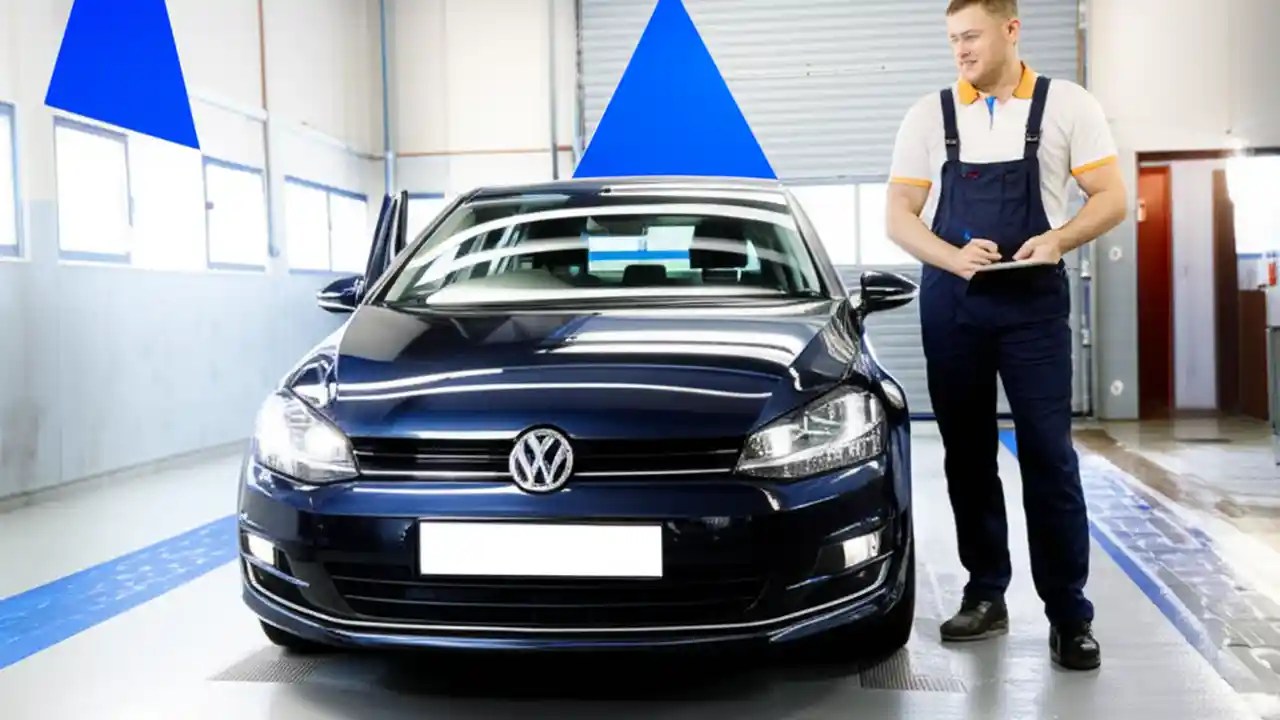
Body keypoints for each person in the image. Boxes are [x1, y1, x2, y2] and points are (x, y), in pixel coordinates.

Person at [884, 0, 1127, 671]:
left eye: (971, 37)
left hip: (1032, 307)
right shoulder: (929, 115)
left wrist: (1058, 239)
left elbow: (1110, 196)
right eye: (952, 39)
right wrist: (950, 256)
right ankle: (985, 594)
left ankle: (1068, 614)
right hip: (954, 304)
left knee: (1049, 457)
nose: (960, 51)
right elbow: (899, 215)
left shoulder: (1067, 105)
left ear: (1011, 30)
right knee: (967, 455)